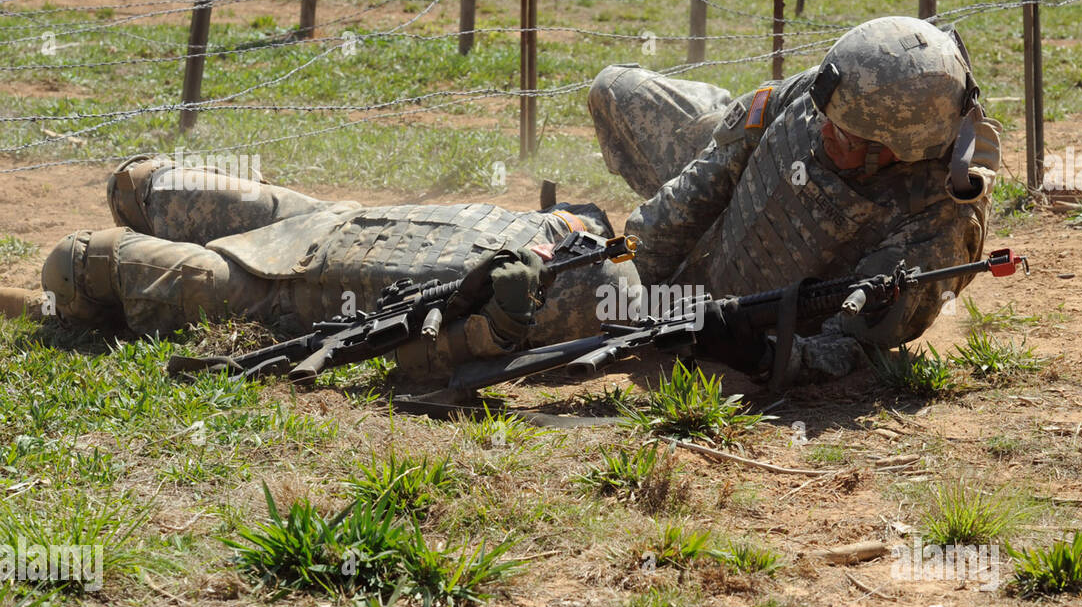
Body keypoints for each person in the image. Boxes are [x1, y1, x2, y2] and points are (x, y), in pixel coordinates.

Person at [588, 15, 1001, 382]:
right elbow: (713, 170)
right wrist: (636, 269)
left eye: (843, 134)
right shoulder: (839, 92)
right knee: (615, 88)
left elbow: (855, 344)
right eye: (825, 116)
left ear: (897, 149)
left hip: (744, 306)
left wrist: (765, 356)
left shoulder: (936, 222)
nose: (822, 130)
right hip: (721, 216)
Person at [26, 155, 641, 380]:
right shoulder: (575, 235)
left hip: (275, 293)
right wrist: (566, 227)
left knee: (73, 263)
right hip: (327, 218)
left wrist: (497, 327)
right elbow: (580, 216)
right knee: (139, 183)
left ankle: (71, 310)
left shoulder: (516, 324)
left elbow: (420, 365)